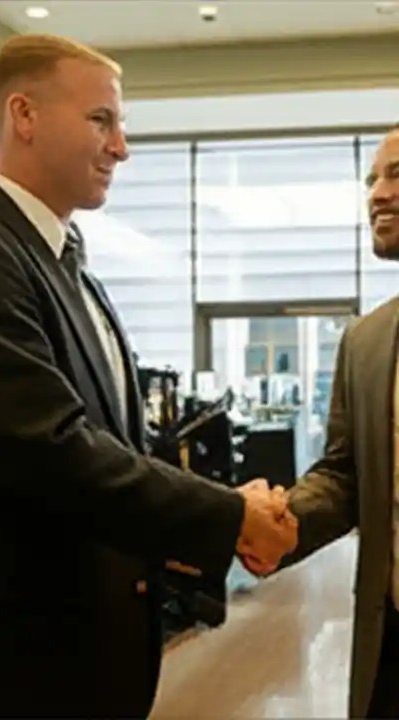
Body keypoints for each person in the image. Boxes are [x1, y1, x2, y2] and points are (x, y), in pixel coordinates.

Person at [0, 33, 298, 719]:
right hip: (10, 667)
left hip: (81, 655)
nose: (121, 147)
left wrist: (225, 503)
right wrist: (230, 516)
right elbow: (45, 450)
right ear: (24, 115)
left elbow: (118, 451)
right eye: (101, 120)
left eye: (121, 125)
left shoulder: (71, 268)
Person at [267, 126, 399, 719]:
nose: (377, 193)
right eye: (372, 178)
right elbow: (344, 475)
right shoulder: (366, 341)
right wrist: (252, 525)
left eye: (397, 174)